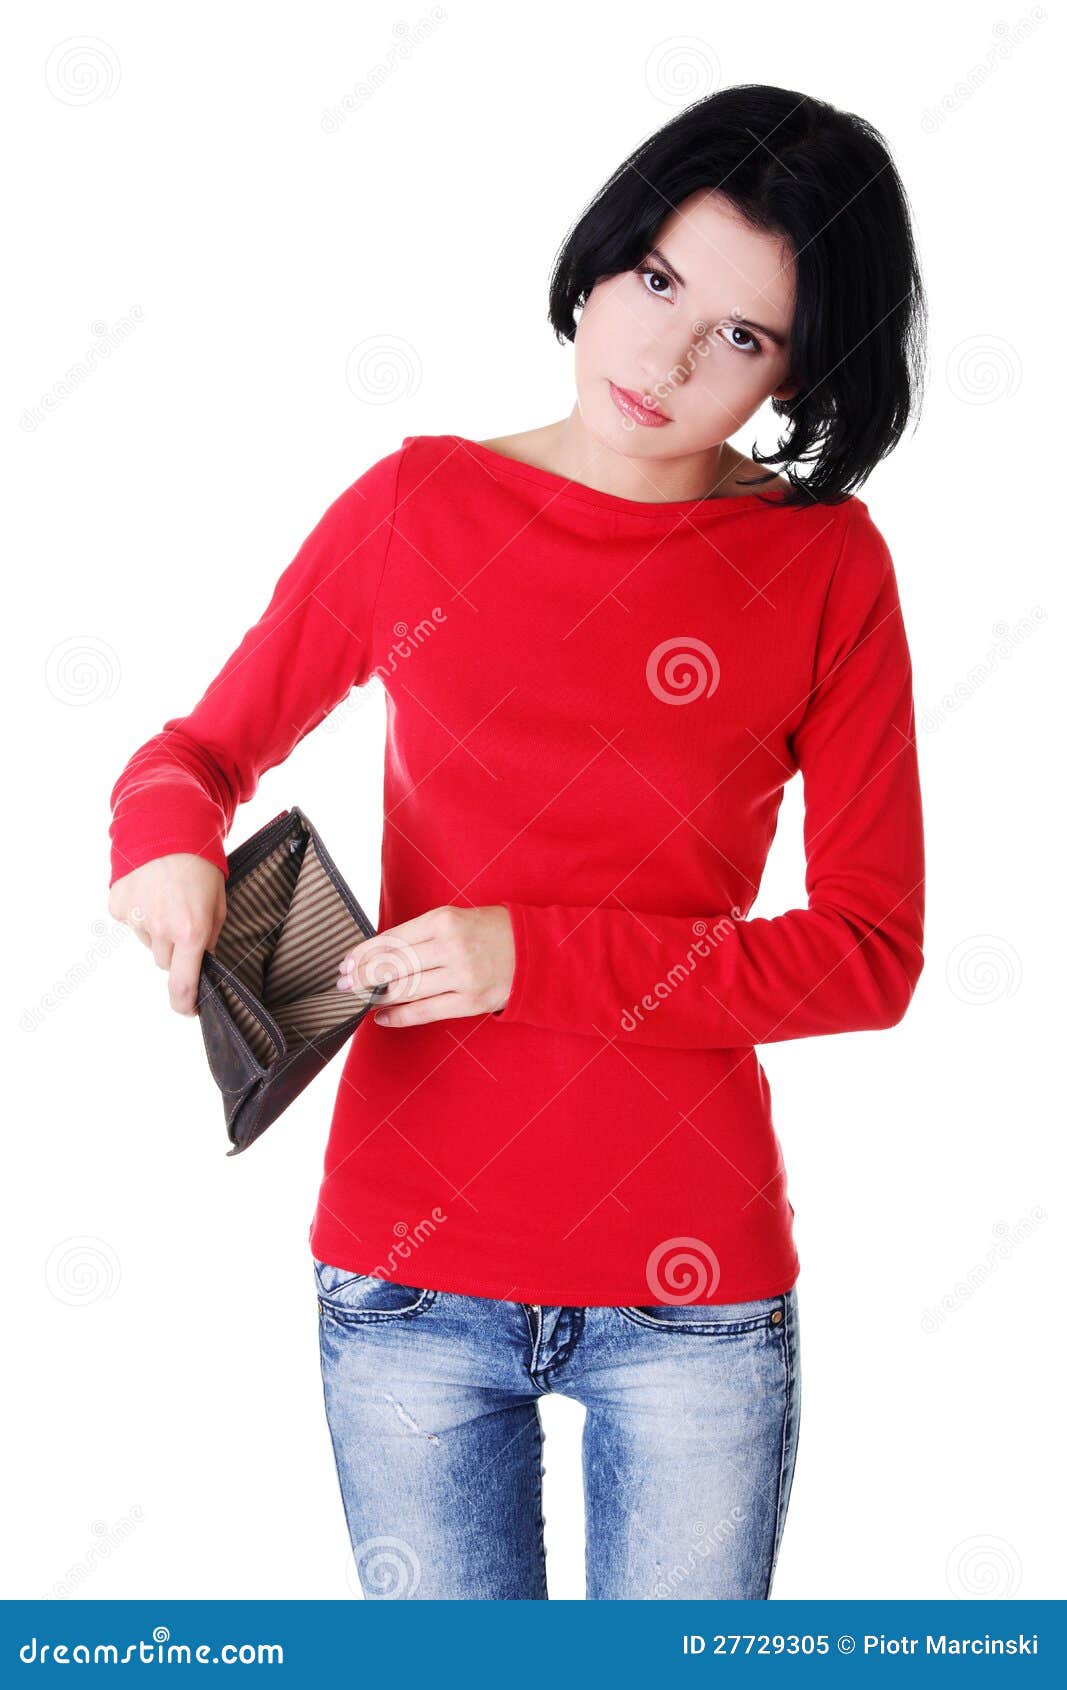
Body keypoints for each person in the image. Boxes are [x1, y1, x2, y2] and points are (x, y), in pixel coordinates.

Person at [107, 83, 927, 1600]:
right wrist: (164, 848)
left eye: (742, 337)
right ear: (603, 256)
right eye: (659, 282)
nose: (671, 355)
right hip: (405, 1276)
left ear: (800, 374)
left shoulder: (822, 570)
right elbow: (193, 757)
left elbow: (869, 953)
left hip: (692, 1298)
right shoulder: (422, 507)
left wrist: (526, 954)